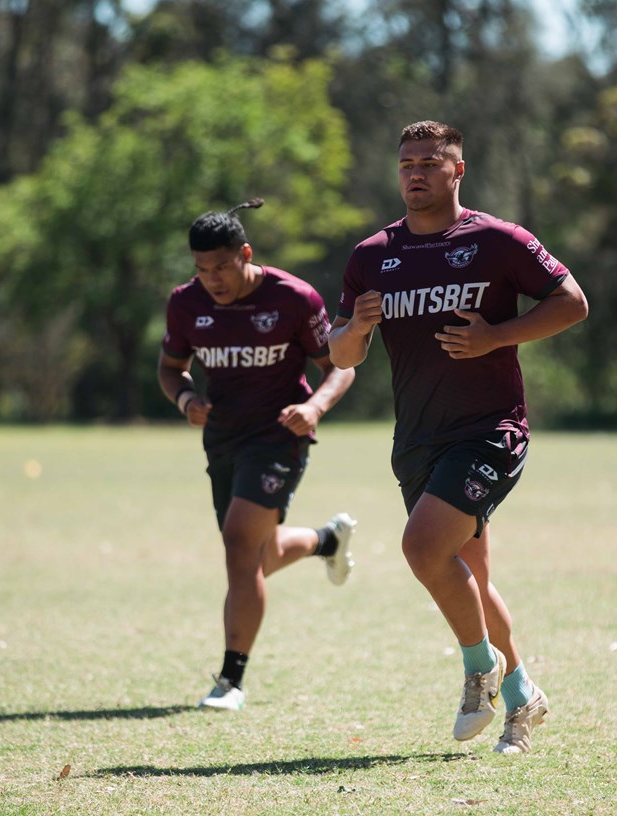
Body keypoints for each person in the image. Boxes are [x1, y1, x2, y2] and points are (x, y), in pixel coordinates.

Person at [328, 121, 588, 754]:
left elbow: (572, 302)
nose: (415, 173)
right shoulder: (371, 256)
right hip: (418, 439)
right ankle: (524, 697)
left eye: (430, 162)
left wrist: (496, 336)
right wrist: (358, 327)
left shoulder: (498, 240)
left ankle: (481, 669)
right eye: (406, 163)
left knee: (422, 547)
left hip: (491, 431)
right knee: (468, 571)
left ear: (457, 170)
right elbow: (340, 354)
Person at [157, 198, 358, 711]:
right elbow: (170, 367)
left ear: (246, 253)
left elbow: (340, 366)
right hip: (222, 438)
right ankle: (324, 540)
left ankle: (230, 681)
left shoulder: (293, 298)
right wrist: (185, 397)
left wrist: (314, 407)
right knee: (254, 555)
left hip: (278, 437)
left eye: (223, 266)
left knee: (238, 545)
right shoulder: (185, 304)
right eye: (203, 270)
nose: (213, 280)